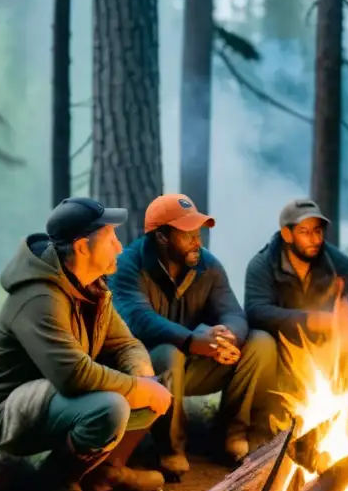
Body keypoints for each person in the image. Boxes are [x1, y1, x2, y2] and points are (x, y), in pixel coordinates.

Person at [0, 197, 172, 491]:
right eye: (110, 238)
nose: (119, 247)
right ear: (82, 247)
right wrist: (138, 388)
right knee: (112, 406)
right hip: (7, 410)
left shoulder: (91, 288)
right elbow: (73, 375)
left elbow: (126, 345)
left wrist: (143, 375)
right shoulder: (38, 296)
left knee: (156, 379)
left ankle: (105, 472)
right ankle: (57, 482)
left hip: (54, 397)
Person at [109, 194, 278, 476]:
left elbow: (233, 313)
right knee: (167, 351)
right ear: (162, 237)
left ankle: (233, 434)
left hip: (198, 363)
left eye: (197, 233)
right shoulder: (128, 265)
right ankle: (170, 449)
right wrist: (192, 340)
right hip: (147, 371)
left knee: (261, 342)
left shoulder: (207, 265)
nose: (197, 241)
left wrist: (227, 337)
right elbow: (139, 320)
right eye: (187, 234)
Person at [243, 199, 348, 416]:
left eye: (318, 231)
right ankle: (253, 426)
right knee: (260, 342)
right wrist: (310, 320)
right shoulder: (262, 265)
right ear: (287, 235)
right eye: (305, 232)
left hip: (327, 350)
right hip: (280, 347)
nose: (315, 239)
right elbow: (256, 311)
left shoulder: (339, 264)